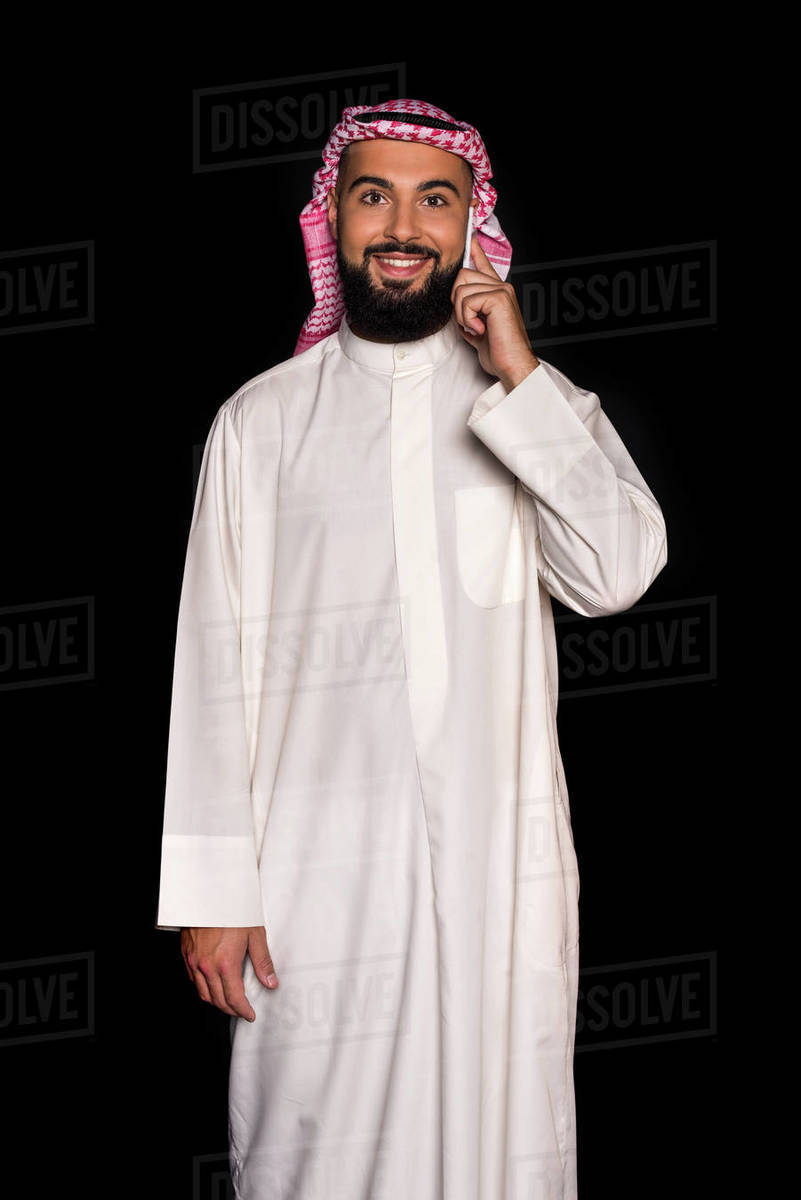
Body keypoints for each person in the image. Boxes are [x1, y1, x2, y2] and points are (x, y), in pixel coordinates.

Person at [156, 98, 667, 1199]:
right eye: (372, 195)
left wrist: (520, 375)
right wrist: (212, 888)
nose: (402, 225)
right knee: (311, 1157)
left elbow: (621, 567)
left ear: (471, 226)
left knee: (496, 1149)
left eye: (435, 200)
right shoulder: (261, 421)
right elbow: (209, 660)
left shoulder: (533, 401)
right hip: (310, 884)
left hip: (501, 877)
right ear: (332, 220)